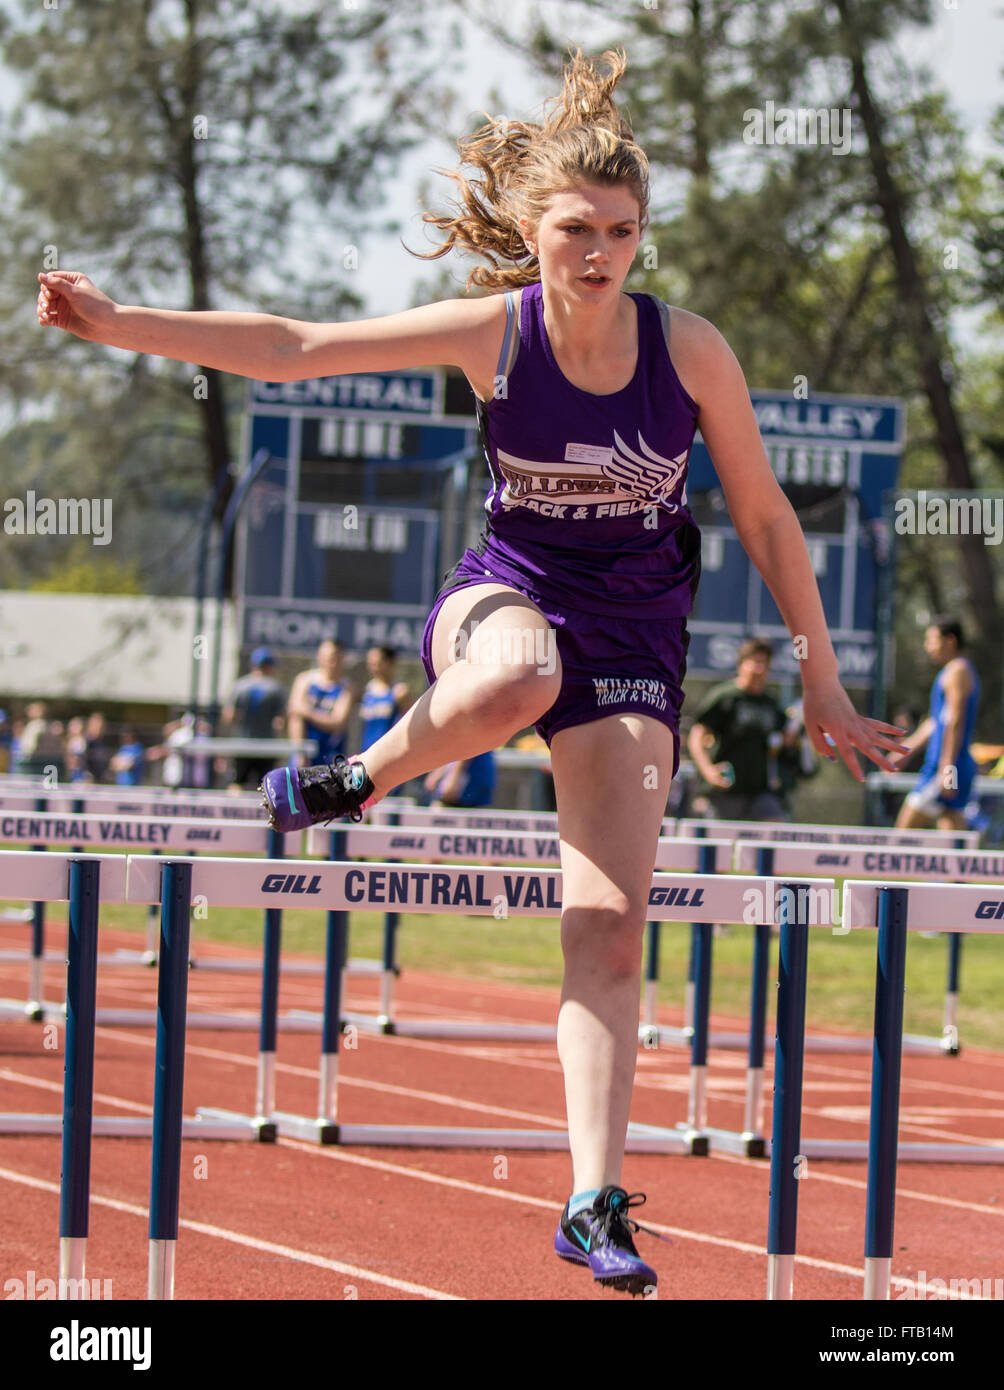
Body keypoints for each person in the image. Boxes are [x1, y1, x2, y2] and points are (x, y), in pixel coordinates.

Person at [37, 46, 906, 1296]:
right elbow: (294, 341)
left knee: (606, 929)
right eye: (574, 227)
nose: (598, 248)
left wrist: (820, 672)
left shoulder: (691, 352)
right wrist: (124, 324)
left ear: (639, 237)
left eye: (620, 229)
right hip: (505, 599)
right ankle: (355, 775)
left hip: (636, 635)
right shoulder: (493, 334)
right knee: (515, 677)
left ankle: (589, 1200)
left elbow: (765, 519)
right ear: (529, 229)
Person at [686, 639, 802, 822]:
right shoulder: (725, 697)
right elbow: (697, 736)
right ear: (742, 664)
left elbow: (784, 743)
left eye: (765, 664)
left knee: (776, 830)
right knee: (720, 847)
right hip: (723, 793)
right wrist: (708, 771)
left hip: (760, 794)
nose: (760, 669)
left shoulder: (770, 704)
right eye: (755, 662)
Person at [893, 618, 981, 832]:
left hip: (945, 767)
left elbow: (955, 720)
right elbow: (936, 722)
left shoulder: (957, 671)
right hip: (953, 766)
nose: (927, 646)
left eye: (931, 640)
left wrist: (947, 769)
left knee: (901, 836)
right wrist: (905, 751)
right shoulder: (952, 671)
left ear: (950, 641)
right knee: (951, 841)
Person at [223, 648, 287, 790]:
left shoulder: (240, 686)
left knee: (237, 783)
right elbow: (280, 722)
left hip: (242, 744)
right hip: (267, 745)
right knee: (266, 787)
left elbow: (229, 716)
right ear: (269, 666)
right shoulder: (276, 688)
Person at [287, 639, 357, 769]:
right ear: (320, 657)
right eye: (329, 657)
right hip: (305, 752)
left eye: (337, 658)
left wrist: (307, 712)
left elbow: (337, 722)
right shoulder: (305, 680)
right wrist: (300, 752)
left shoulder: (346, 687)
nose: (332, 663)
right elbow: (295, 715)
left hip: (330, 753)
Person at [359, 647, 412, 751]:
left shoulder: (399, 691)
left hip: (390, 751)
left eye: (378, 664)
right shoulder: (367, 691)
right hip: (367, 750)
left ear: (390, 663)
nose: (373, 668)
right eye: (371, 664)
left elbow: (410, 724)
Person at [424, 751, 497, 808]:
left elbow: (469, 744)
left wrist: (454, 776)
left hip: (470, 773)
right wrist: (438, 772)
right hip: (467, 771)